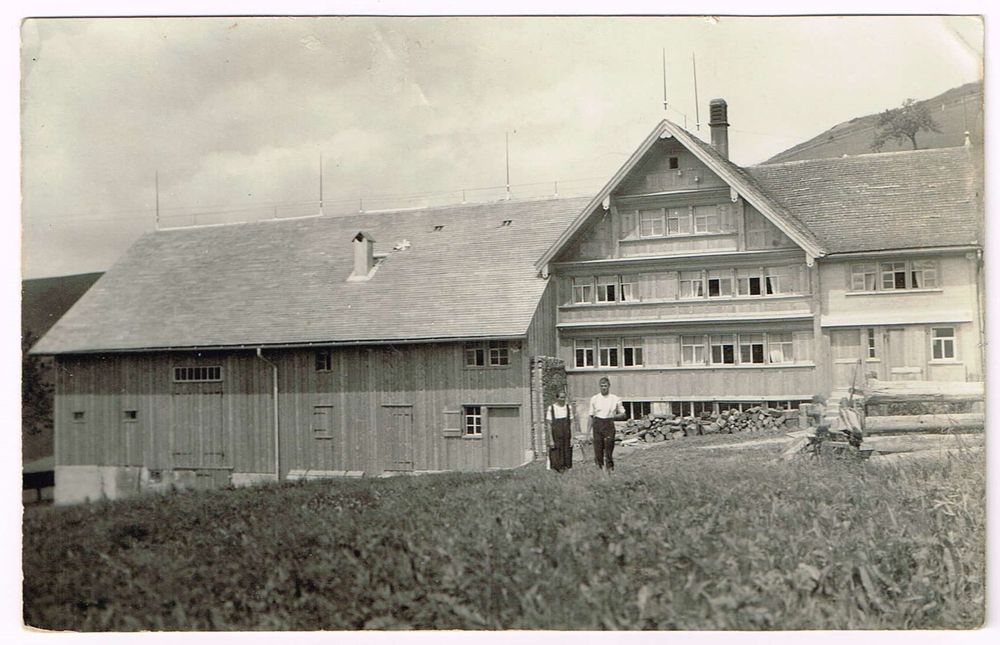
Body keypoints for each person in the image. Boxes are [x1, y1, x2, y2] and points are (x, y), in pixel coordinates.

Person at [589, 377, 625, 473]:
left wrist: (615, 416)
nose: (603, 388)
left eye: (605, 386)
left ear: (609, 386)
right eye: (602, 386)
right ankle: (599, 471)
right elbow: (591, 416)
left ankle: (610, 471)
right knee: (598, 451)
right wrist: (587, 433)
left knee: (609, 451)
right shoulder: (594, 398)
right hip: (597, 424)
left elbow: (623, 414)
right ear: (599, 387)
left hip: (609, 424)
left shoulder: (615, 398)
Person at [545, 389, 573, 472]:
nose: (562, 399)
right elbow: (549, 425)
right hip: (556, 436)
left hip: (566, 436)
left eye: (564, 397)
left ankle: (567, 471)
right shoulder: (552, 408)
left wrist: (572, 438)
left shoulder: (568, 408)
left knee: (567, 454)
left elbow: (572, 423)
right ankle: (556, 472)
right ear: (557, 398)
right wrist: (551, 440)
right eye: (561, 397)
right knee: (556, 455)